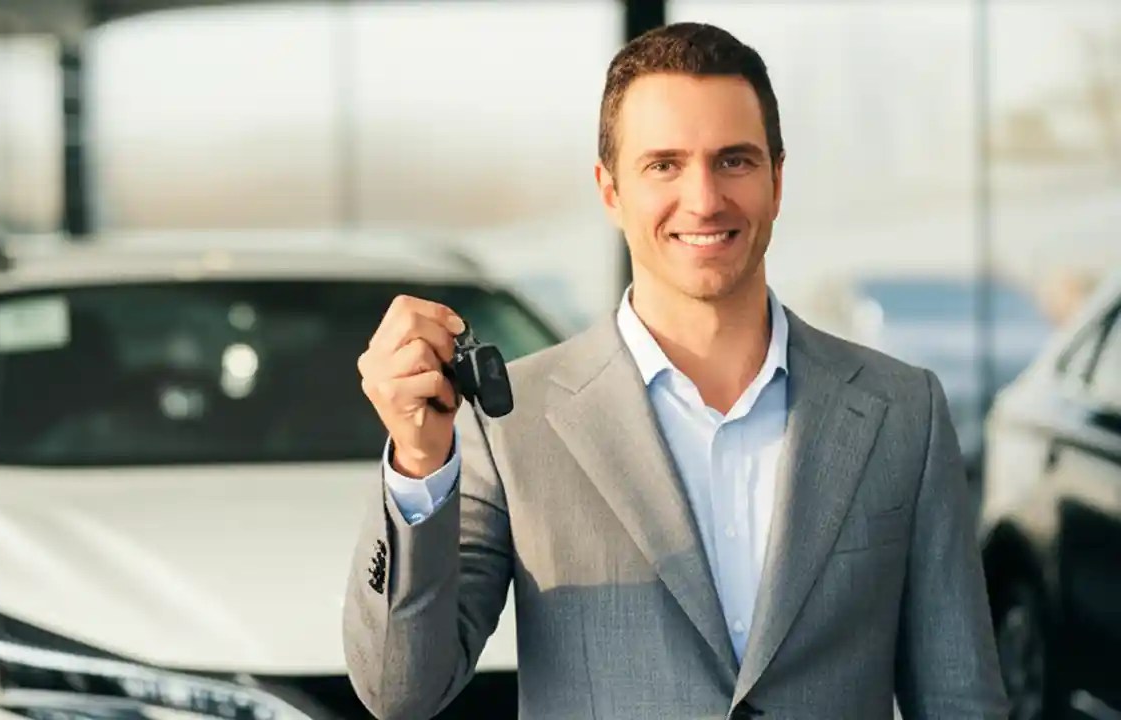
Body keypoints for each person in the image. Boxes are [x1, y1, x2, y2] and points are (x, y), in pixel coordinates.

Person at [345, 22, 1009, 720]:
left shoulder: (903, 410)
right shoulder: (512, 424)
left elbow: (961, 699)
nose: (703, 199)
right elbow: (400, 691)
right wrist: (419, 464)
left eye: (734, 161)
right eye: (664, 164)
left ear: (777, 181)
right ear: (609, 191)